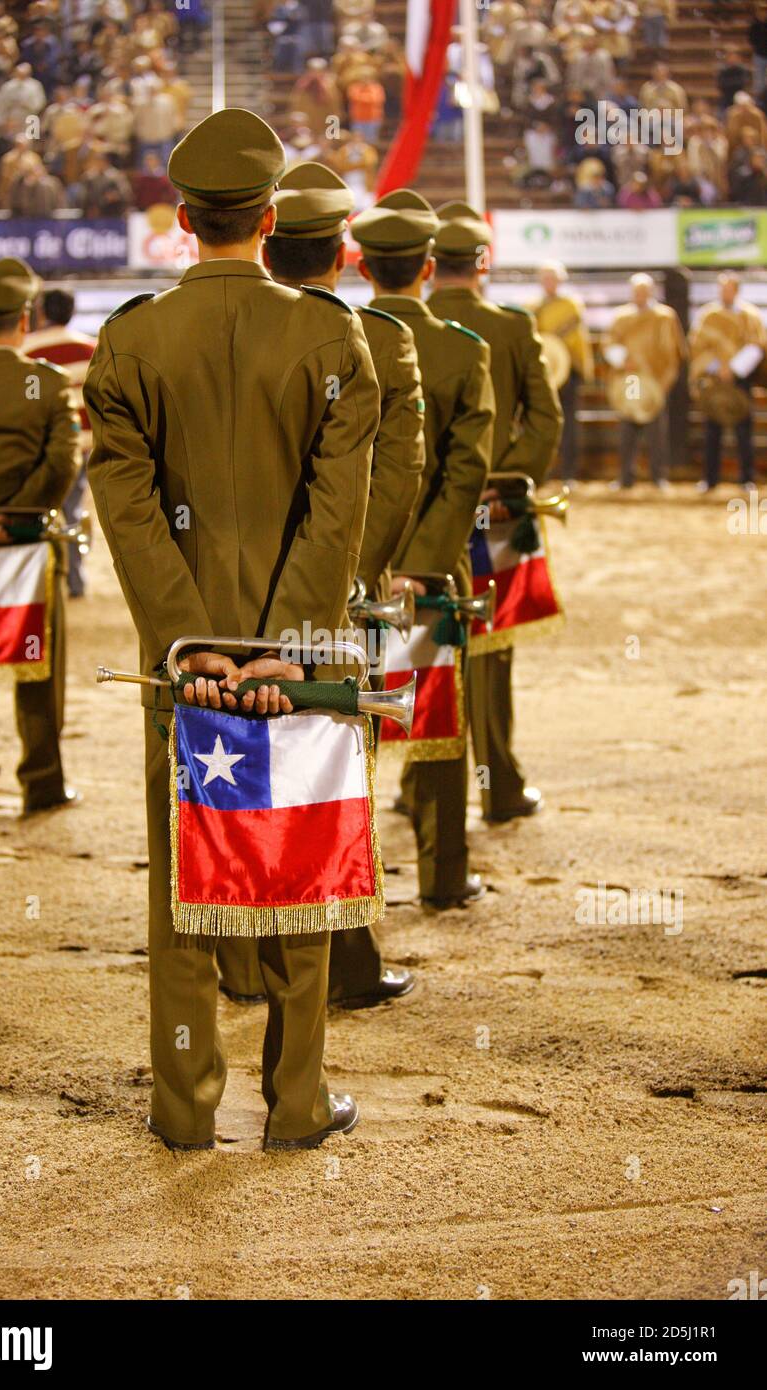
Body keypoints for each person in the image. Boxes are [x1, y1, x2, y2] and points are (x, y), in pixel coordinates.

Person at [84, 109, 380, 1151]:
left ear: (181, 218)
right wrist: (281, 645)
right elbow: (334, 513)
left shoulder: (129, 338)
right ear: (267, 217)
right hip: (298, 652)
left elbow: (123, 506)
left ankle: (183, 1106)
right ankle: (296, 1103)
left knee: (181, 876)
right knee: (295, 864)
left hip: (184, 663)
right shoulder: (328, 331)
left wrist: (192, 640)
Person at [215, 161, 425, 1011]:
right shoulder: (374, 335)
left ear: (269, 235)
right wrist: (349, 576)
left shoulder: (226, 321)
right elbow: (398, 477)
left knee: (227, 771)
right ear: (342, 251)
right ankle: (345, 965)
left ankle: (239, 961)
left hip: (225, 596)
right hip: (332, 599)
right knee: (327, 777)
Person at [351, 190, 496, 907]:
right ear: (429, 266)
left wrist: (361, 563)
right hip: (431, 569)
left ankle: (347, 880)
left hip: (344, 571)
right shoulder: (465, 352)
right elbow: (467, 469)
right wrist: (421, 563)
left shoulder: (337, 337)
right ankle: (443, 876)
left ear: (363, 266)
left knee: (345, 726)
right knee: (439, 727)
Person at [429, 204, 561, 826]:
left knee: (422, 644)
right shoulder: (511, 327)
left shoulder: (410, 322)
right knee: (488, 648)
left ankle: (420, 783)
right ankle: (498, 785)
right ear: (482, 262)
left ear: (430, 265)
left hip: (422, 513)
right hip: (496, 514)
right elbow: (545, 417)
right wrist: (504, 479)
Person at [0, 258, 81, 813]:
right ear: (24, 320)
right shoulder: (48, 384)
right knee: (38, 664)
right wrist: (17, 512)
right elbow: (61, 462)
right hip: (29, 545)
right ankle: (42, 780)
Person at [26, 288, 97, 598]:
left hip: (39, 447)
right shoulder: (91, 349)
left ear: (40, 313)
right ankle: (75, 579)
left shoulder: (26, 351)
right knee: (71, 507)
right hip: (81, 445)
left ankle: (41, 580)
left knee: (39, 510)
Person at [604, 272, 686, 490]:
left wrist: (662, 380)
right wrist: (623, 361)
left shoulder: (664, 316)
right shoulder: (622, 317)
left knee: (656, 429)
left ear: (651, 292)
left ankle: (659, 476)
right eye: (636, 291)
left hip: (654, 382)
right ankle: (625, 476)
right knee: (628, 425)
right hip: (631, 380)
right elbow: (610, 344)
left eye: (644, 291)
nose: (640, 295)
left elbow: (673, 352)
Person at [689, 272, 767, 492]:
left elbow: (756, 346)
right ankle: (710, 479)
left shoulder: (749, 315)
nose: (724, 292)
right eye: (721, 288)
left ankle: (746, 479)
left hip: (741, 380)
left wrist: (733, 369)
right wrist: (717, 367)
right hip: (714, 381)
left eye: (729, 289)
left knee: (744, 430)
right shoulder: (708, 315)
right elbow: (698, 345)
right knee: (712, 430)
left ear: (737, 290)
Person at [533, 260, 593, 485]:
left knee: (569, 422)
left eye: (553, 278)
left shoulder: (571, 305)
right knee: (544, 423)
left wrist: (555, 345)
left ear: (560, 281)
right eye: (546, 278)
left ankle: (569, 473)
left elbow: (573, 336)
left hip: (568, 373)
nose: (549, 283)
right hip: (543, 373)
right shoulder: (533, 307)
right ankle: (543, 472)